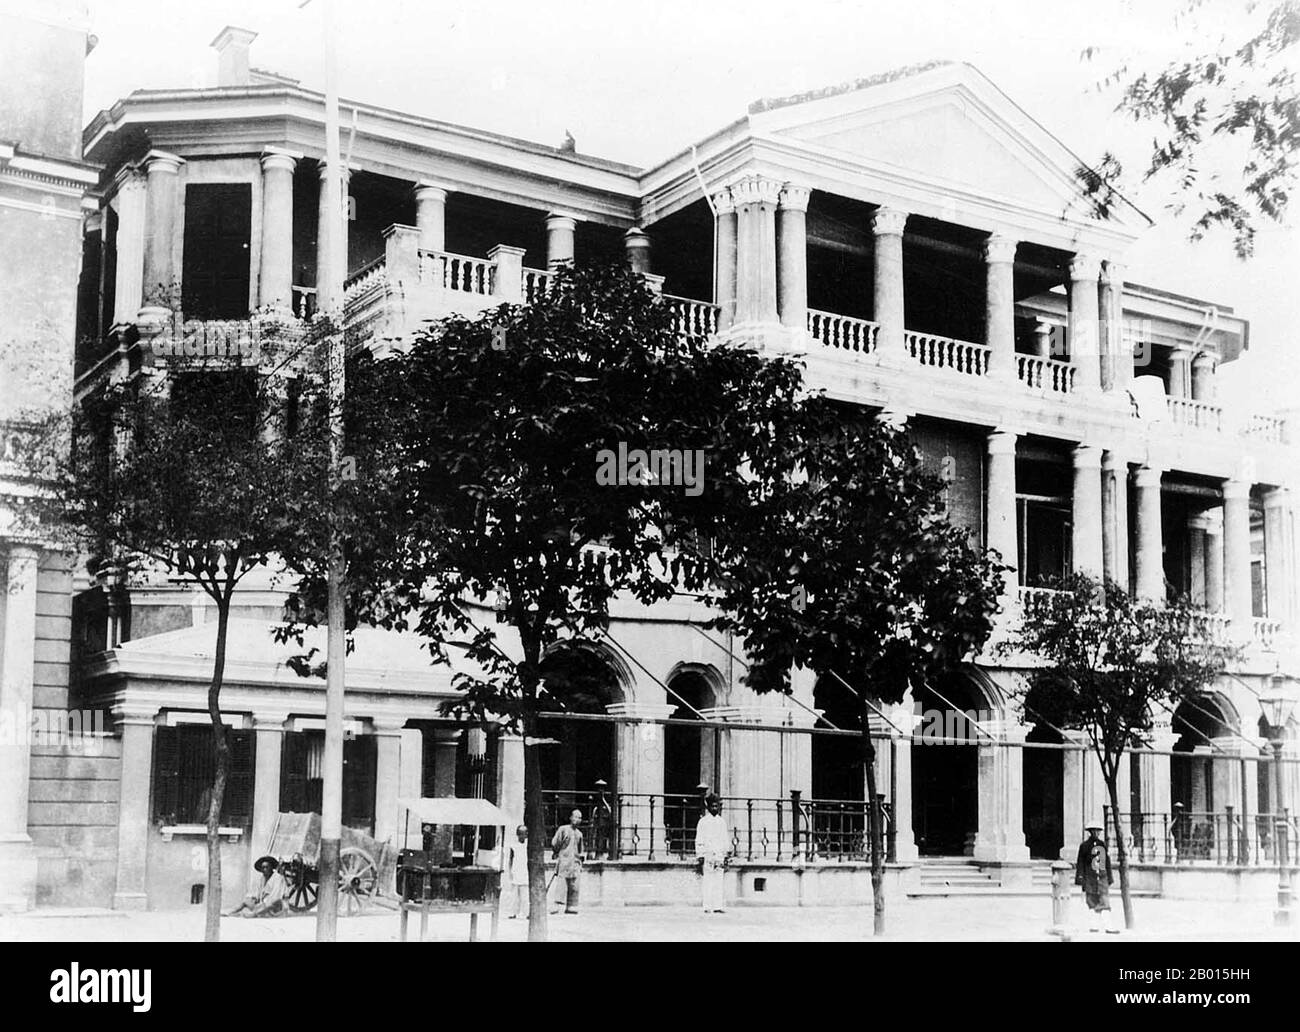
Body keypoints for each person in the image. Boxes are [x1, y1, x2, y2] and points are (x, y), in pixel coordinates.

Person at [1074, 820, 1119, 933]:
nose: (1096, 833)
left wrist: (1109, 877)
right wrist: (1081, 879)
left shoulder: (1102, 845)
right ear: (1090, 832)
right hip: (1090, 878)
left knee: (1105, 902)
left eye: (1098, 831)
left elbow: (1107, 862)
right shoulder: (1084, 846)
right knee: (1091, 901)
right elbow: (1081, 863)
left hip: (1102, 878)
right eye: (1094, 831)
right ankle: (1094, 926)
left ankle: (1109, 926)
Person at [695, 793, 730, 914]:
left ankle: (718, 905)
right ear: (708, 807)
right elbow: (699, 839)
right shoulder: (703, 822)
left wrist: (726, 854)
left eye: (717, 806)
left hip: (719, 854)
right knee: (708, 880)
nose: (715, 809)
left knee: (718, 880)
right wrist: (700, 855)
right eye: (712, 806)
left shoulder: (722, 822)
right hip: (708, 855)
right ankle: (707, 906)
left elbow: (725, 839)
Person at [550, 809, 584, 914]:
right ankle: (556, 907)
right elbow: (555, 843)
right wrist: (556, 852)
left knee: (574, 885)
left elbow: (581, 849)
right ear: (571, 818)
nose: (577, 820)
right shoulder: (563, 829)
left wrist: (580, 861)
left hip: (575, 862)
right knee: (561, 884)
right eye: (575, 817)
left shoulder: (579, 834)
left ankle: (571, 906)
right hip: (564, 860)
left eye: (579, 818)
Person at [505, 824, 529, 919]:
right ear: (517, 834)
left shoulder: (528, 845)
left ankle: (526, 913)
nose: (523, 836)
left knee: (525, 895)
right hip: (516, 870)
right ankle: (513, 912)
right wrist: (510, 871)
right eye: (520, 834)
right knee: (514, 894)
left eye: (525, 834)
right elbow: (510, 859)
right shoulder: (513, 845)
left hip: (525, 872)